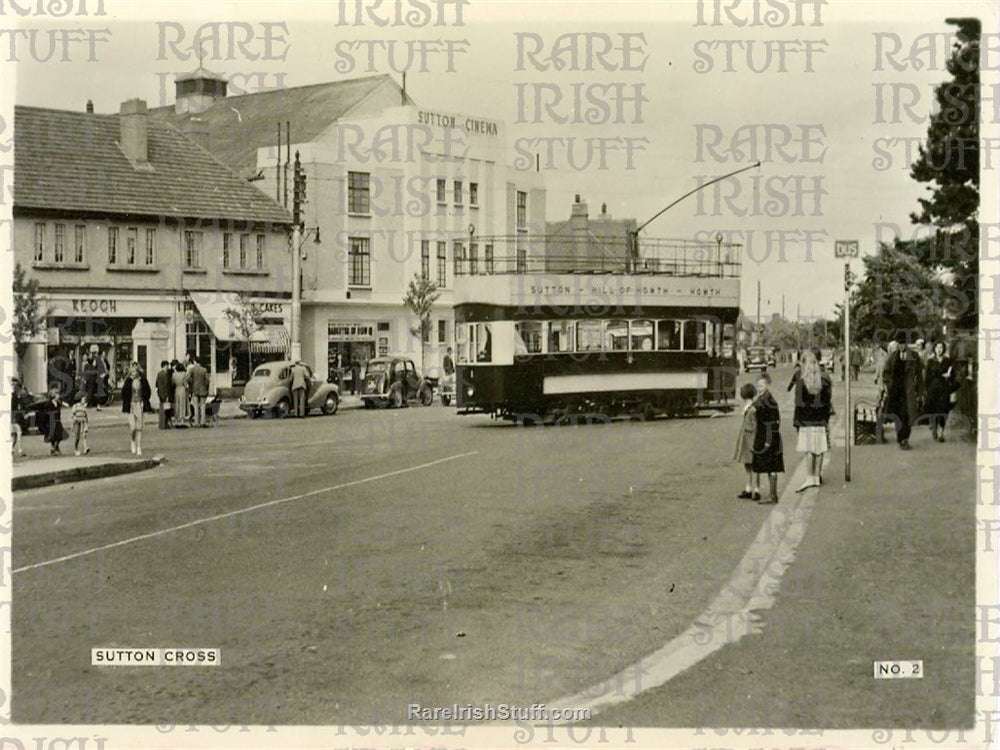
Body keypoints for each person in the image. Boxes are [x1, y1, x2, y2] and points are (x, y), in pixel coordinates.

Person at [793, 350, 833, 491]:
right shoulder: (822, 383)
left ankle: (809, 477)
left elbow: (798, 404)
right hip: (820, 420)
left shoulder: (801, 383)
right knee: (820, 449)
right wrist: (825, 419)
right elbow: (827, 403)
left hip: (806, 421)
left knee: (809, 450)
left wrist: (796, 423)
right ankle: (817, 476)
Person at [884, 337, 924, 450]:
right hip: (896, 392)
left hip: (909, 392)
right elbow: (886, 373)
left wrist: (920, 392)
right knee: (898, 416)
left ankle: (905, 438)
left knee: (907, 417)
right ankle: (901, 438)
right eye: (899, 344)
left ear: (906, 344)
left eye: (903, 344)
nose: (902, 346)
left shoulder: (914, 356)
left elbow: (919, 375)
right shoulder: (893, 356)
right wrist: (889, 385)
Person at [751, 372, 784, 505]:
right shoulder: (764, 398)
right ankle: (772, 494)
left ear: (767, 385)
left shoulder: (767, 401)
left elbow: (773, 421)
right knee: (771, 465)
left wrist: (768, 441)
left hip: (768, 436)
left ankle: (772, 495)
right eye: (758, 385)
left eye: (762, 385)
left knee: (771, 465)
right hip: (768, 435)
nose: (759, 388)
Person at [923, 341, 955, 443]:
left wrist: (949, 377)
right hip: (933, 390)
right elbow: (927, 378)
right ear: (934, 349)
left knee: (943, 411)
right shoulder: (931, 361)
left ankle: (941, 433)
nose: (939, 349)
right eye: (937, 347)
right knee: (933, 411)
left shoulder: (948, 361)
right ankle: (934, 429)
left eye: (941, 347)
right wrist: (926, 390)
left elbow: (953, 375)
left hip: (944, 389)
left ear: (944, 349)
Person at [733, 382, 760, 500]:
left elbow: (754, 425)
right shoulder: (752, 407)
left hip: (749, 438)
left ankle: (753, 488)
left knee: (750, 464)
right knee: (751, 464)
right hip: (749, 437)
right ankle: (753, 488)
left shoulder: (751, 408)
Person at [121, 361, 152, 456]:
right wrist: (128, 402)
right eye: (131, 371)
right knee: (132, 427)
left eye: (134, 371)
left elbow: (148, 391)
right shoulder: (128, 381)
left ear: (138, 371)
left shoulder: (143, 380)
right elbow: (124, 393)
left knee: (139, 427)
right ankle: (132, 441)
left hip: (139, 404)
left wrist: (144, 401)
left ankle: (138, 447)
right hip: (131, 405)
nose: (132, 373)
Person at [35, 384, 69, 455]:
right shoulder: (49, 404)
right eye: (57, 394)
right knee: (53, 436)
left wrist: (63, 403)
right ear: (53, 396)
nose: (58, 396)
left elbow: (64, 404)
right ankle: (53, 448)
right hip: (51, 422)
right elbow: (46, 412)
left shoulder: (58, 403)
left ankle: (56, 447)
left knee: (60, 435)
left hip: (58, 421)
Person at [186, 353, 210, 427]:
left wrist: (191, 384)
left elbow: (187, 378)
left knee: (196, 406)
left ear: (194, 361)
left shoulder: (192, 370)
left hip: (194, 390)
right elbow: (207, 381)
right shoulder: (204, 370)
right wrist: (206, 388)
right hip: (203, 390)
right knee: (203, 406)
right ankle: (203, 422)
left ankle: (197, 422)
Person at [10, 377, 30, 457]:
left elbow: (21, 407)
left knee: (15, 434)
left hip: (16, 417)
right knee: (18, 432)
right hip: (13, 417)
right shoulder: (13, 397)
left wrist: (24, 414)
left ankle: (11, 449)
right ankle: (19, 450)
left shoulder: (18, 397)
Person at [155, 360, 174, 429]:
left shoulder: (162, 374)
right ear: (164, 366)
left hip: (164, 394)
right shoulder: (162, 374)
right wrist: (165, 396)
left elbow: (157, 385)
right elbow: (162, 386)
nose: (167, 367)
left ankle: (165, 424)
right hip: (165, 395)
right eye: (167, 366)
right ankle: (164, 424)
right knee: (165, 410)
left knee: (166, 410)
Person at [171, 360, 189, 428]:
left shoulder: (174, 374)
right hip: (182, 389)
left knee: (177, 405)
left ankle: (177, 420)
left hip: (176, 390)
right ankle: (182, 421)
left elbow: (172, 383)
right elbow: (185, 383)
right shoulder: (184, 374)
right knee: (182, 405)